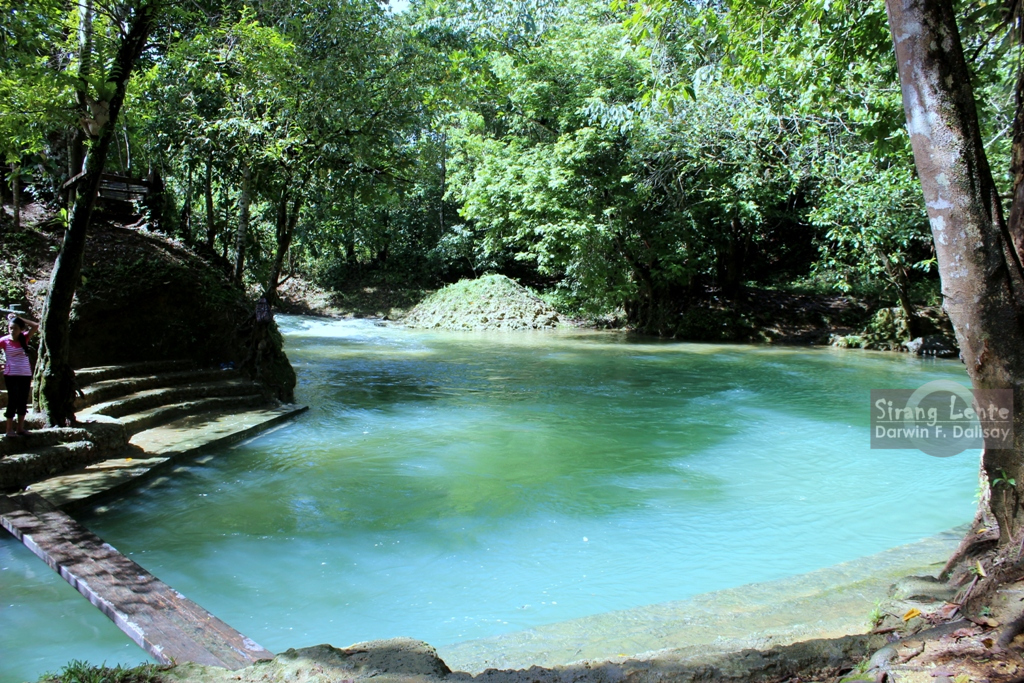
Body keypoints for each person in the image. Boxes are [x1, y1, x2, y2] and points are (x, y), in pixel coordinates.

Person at [1, 314, 39, 437]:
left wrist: (19, 318)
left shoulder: (25, 338)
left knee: (22, 400)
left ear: (20, 329)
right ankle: (8, 430)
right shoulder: (4, 340)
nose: (12, 331)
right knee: (13, 399)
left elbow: (35, 325)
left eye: (15, 328)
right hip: (11, 374)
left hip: (25, 374)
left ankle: (20, 428)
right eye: (10, 328)